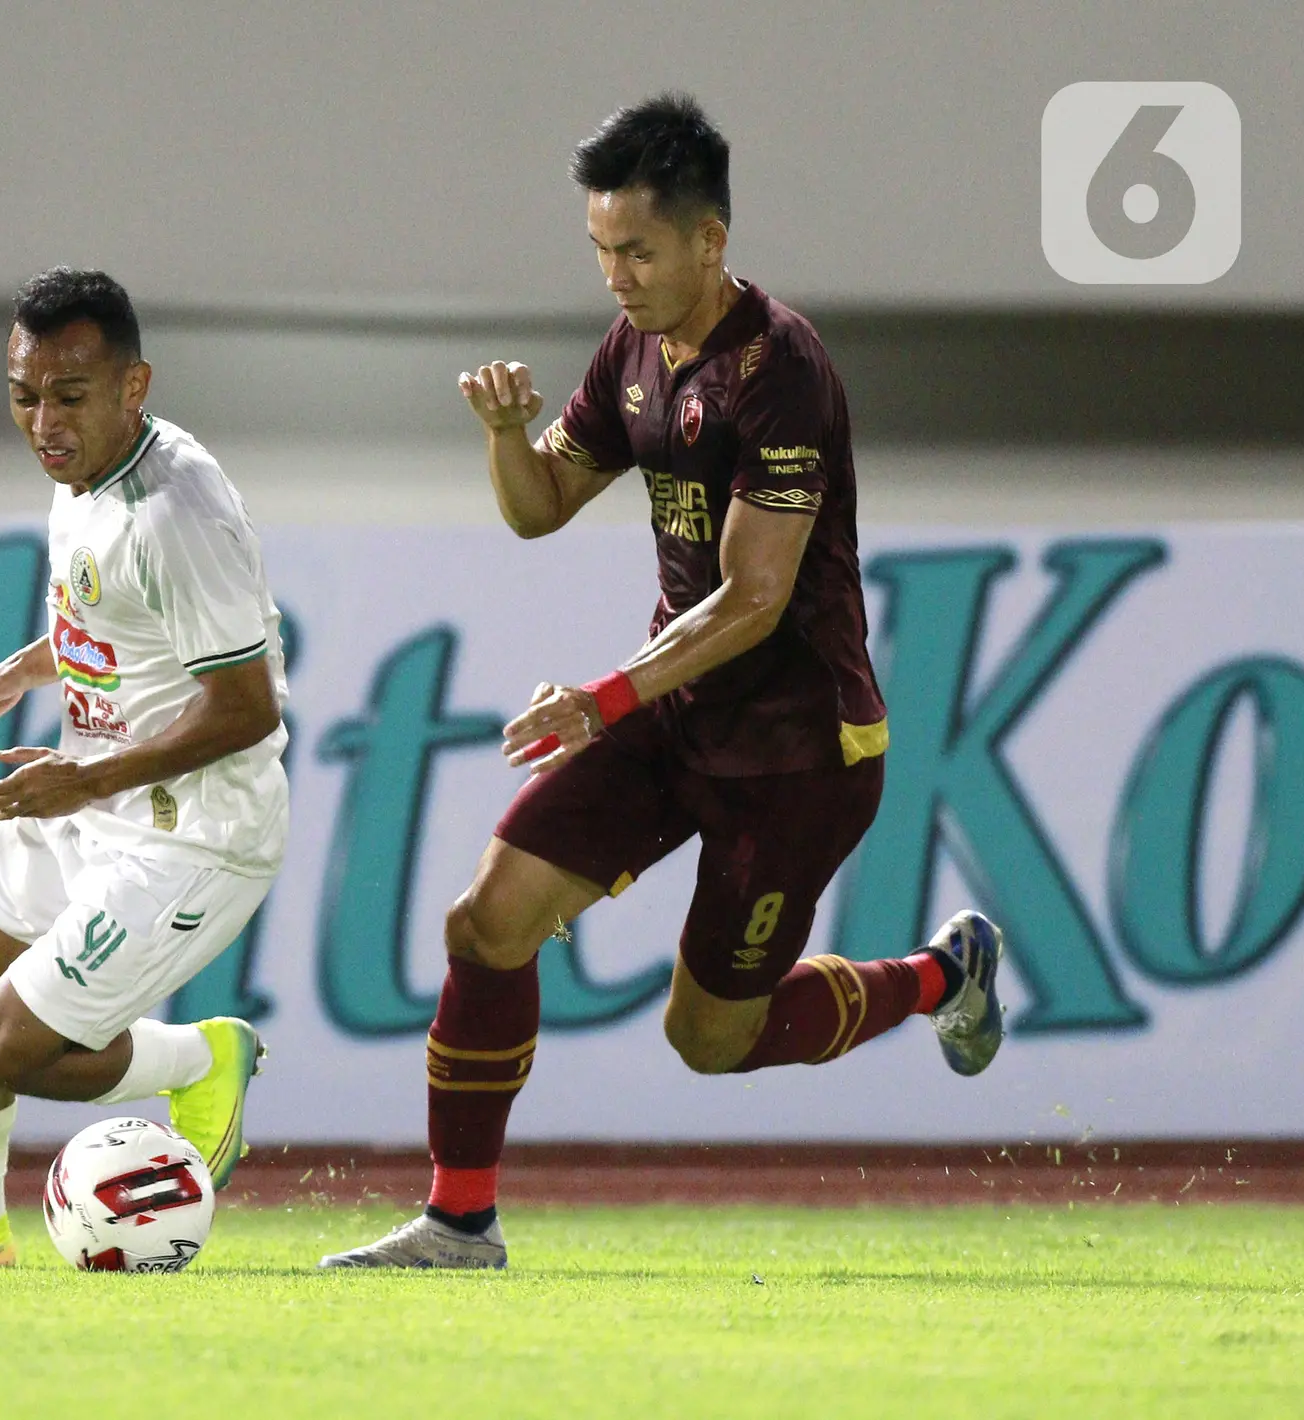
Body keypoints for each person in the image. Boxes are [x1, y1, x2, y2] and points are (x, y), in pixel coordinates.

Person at [321, 95, 1005, 1271]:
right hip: (673, 715)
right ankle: (459, 1221)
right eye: (598, 251)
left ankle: (946, 971)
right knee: (485, 924)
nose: (614, 277)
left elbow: (751, 599)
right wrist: (502, 436)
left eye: (635, 250)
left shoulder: (780, 370)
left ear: (708, 241)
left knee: (708, 1039)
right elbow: (539, 509)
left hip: (793, 756)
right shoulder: (630, 349)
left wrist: (600, 698)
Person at [0, 268, 289, 1268]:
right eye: (22, 395)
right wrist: (12, 675)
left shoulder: (176, 512)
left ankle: (203, 1056)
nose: (43, 422)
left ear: (134, 386)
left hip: (192, 830)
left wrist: (81, 779)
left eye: (68, 396)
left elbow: (247, 710)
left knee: (11, 1046)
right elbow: (108, 622)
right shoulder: (83, 477)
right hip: (99, 784)